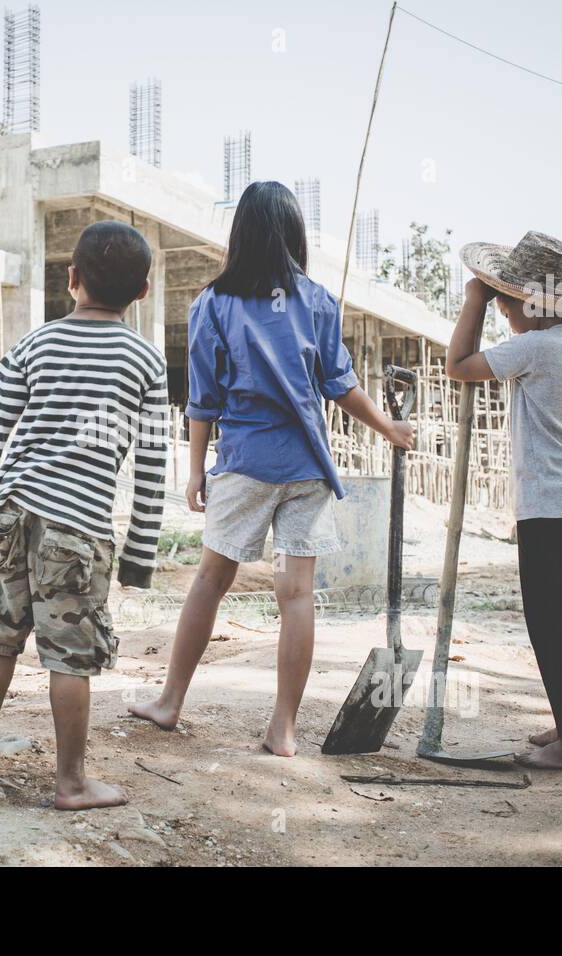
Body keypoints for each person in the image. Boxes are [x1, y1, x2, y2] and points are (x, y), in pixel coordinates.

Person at [128, 181, 413, 756]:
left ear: (241, 236)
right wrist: (389, 428)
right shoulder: (318, 302)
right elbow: (342, 387)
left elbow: (202, 401)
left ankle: (170, 702)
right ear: (294, 236)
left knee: (210, 580)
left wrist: (194, 471)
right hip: (307, 468)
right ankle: (282, 730)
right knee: (296, 595)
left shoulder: (213, 304)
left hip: (245, 465)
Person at [0, 220, 169, 809]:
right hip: (78, 526)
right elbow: (151, 465)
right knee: (71, 656)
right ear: (143, 292)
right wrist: (140, 553)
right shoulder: (146, 363)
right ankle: (70, 782)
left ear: (71, 280)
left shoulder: (35, 345)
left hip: (11, 515)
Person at [446, 230, 562, 770]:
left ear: (535, 305)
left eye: (506, 303)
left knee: (551, 620)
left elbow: (459, 364)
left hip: (553, 509)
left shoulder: (536, 346)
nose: (503, 313)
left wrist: (471, 300)